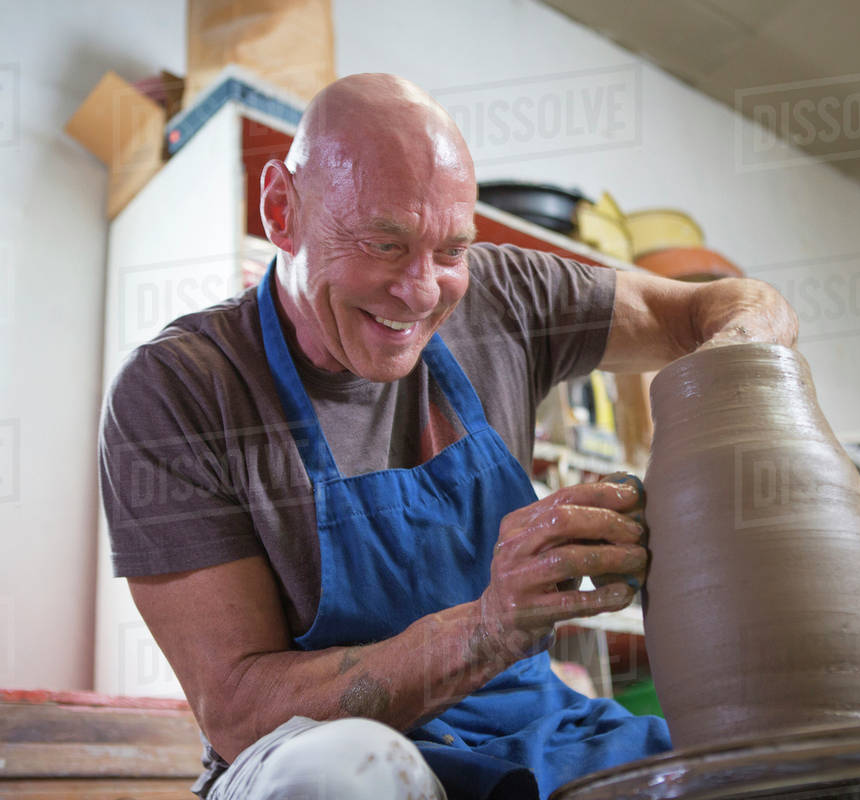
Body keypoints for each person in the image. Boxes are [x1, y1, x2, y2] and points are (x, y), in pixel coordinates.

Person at [98, 73, 798, 800]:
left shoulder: (505, 300)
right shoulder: (181, 390)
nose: (423, 291)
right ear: (282, 211)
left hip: (534, 730)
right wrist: (488, 627)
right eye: (384, 243)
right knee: (346, 776)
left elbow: (730, 307)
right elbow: (241, 712)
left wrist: (733, 379)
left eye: (451, 251)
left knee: (780, 766)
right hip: (320, 756)